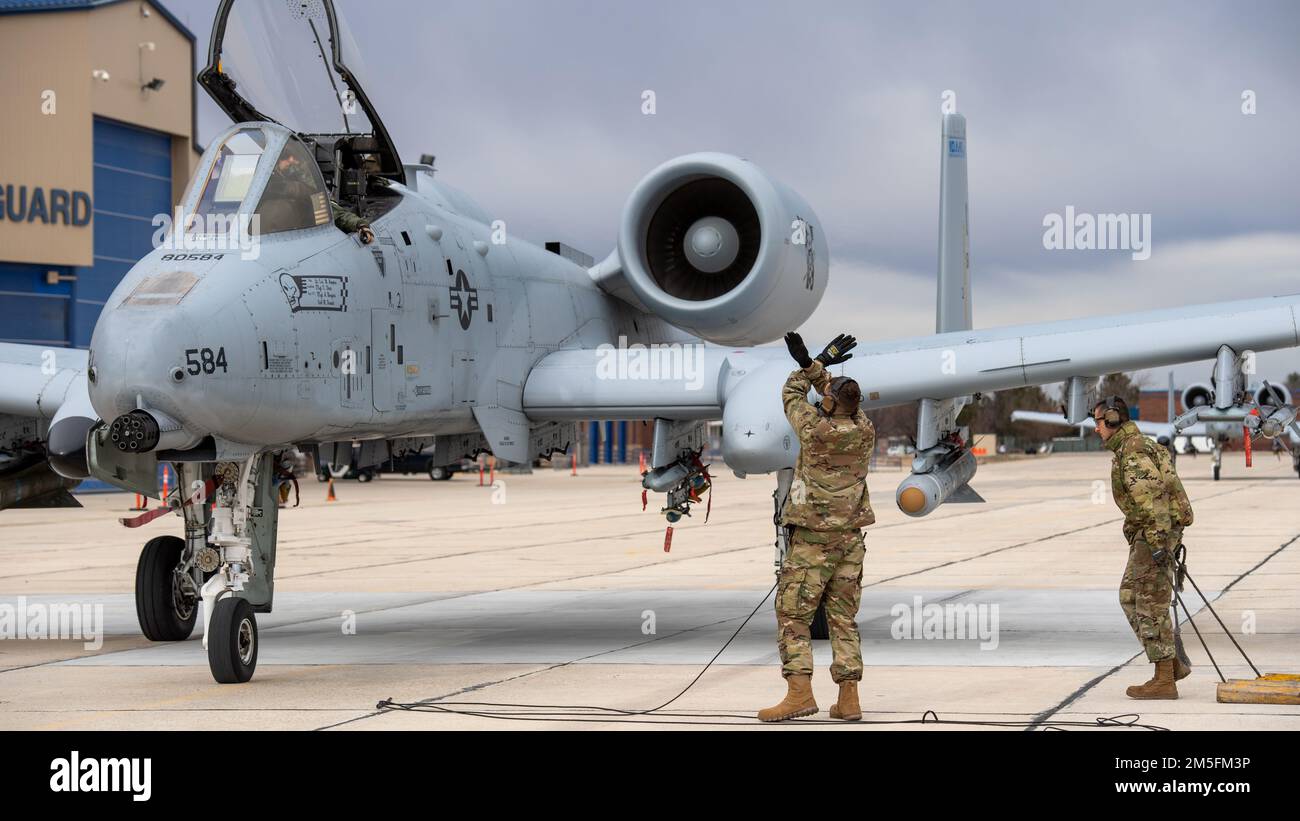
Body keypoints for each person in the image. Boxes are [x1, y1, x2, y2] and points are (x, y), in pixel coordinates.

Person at [757, 331, 875, 722]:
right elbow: (843, 401)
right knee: (843, 617)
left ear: (828, 402)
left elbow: (791, 394)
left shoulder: (814, 428)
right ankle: (849, 698)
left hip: (812, 541)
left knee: (793, 616)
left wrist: (810, 364)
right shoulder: (863, 430)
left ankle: (799, 693)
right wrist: (820, 369)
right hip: (850, 542)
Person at [1093, 396, 1194, 699]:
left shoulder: (1133, 451)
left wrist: (1158, 544)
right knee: (1130, 596)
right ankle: (1170, 664)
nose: (1096, 429)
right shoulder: (1130, 447)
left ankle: (1164, 679)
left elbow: (1154, 502)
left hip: (1154, 534)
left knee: (1149, 602)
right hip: (1151, 532)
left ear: (1112, 421)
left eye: (1098, 422)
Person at [267, 151, 374, 244]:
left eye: (294, 157)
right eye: (285, 156)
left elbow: (329, 209)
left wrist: (359, 224)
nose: (291, 160)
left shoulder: (299, 189)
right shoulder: (263, 188)